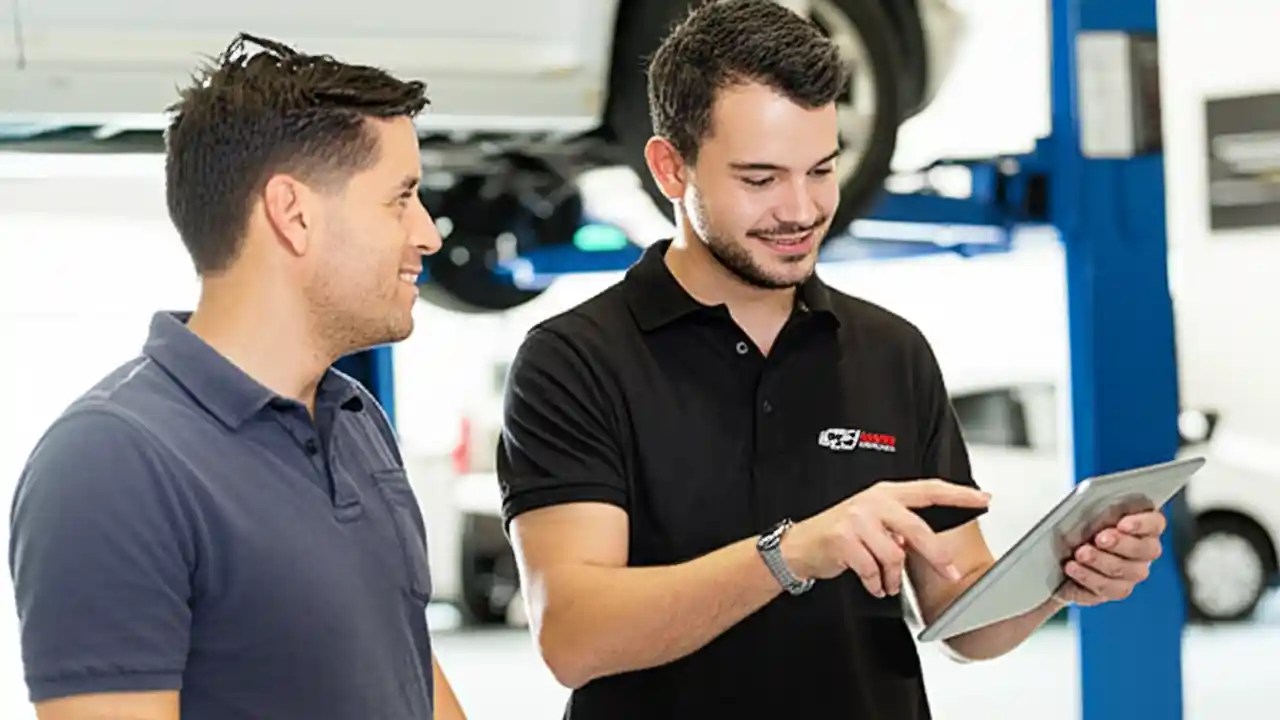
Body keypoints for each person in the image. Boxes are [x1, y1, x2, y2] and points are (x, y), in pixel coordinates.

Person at [496, 2, 1169, 718]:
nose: (801, 209)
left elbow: (959, 615)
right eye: (760, 179)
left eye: (821, 169)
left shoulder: (891, 352)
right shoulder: (575, 361)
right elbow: (574, 635)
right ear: (670, 167)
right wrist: (788, 555)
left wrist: (1060, 576)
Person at [8, 34, 466, 720]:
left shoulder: (354, 418)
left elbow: (405, 667)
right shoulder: (110, 461)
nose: (429, 233)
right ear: (293, 213)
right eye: (400, 199)